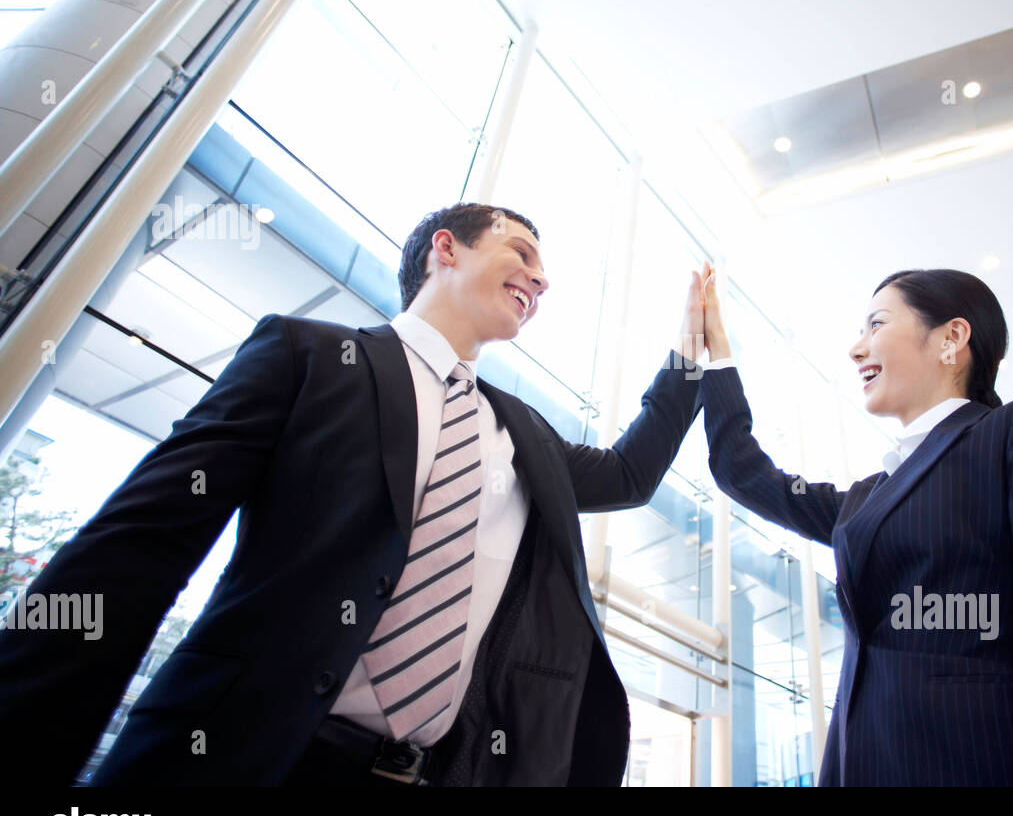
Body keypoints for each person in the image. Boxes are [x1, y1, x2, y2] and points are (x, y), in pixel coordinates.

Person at [0, 202, 709, 786]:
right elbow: (136, 548)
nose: (541, 279)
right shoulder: (307, 359)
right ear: (446, 250)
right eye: (521, 251)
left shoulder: (522, 436)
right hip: (241, 760)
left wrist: (689, 353)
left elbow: (627, 475)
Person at [697, 263, 1013, 786]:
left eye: (876, 325)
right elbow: (742, 473)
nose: (857, 349)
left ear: (952, 337)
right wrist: (716, 354)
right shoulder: (866, 499)